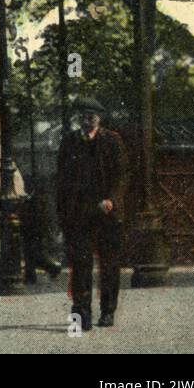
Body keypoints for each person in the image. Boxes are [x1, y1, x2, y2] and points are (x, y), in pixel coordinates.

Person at [55, 97, 127, 330]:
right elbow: (62, 180)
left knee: (109, 265)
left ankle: (108, 311)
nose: (87, 121)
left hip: (107, 212)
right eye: (83, 116)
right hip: (79, 213)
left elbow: (122, 175)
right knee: (81, 264)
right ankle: (82, 313)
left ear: (99, 118)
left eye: (91, 116)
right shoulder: (69, 142)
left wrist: (112, 200)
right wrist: (63, 214)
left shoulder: (112, 141)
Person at [21, 188, 62, 284]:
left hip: (34, 227)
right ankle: (31, 276)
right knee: (31, 252)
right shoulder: (38, 196)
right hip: (34, 226)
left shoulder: (38, 197)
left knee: (32, 252)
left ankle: (51, 268)